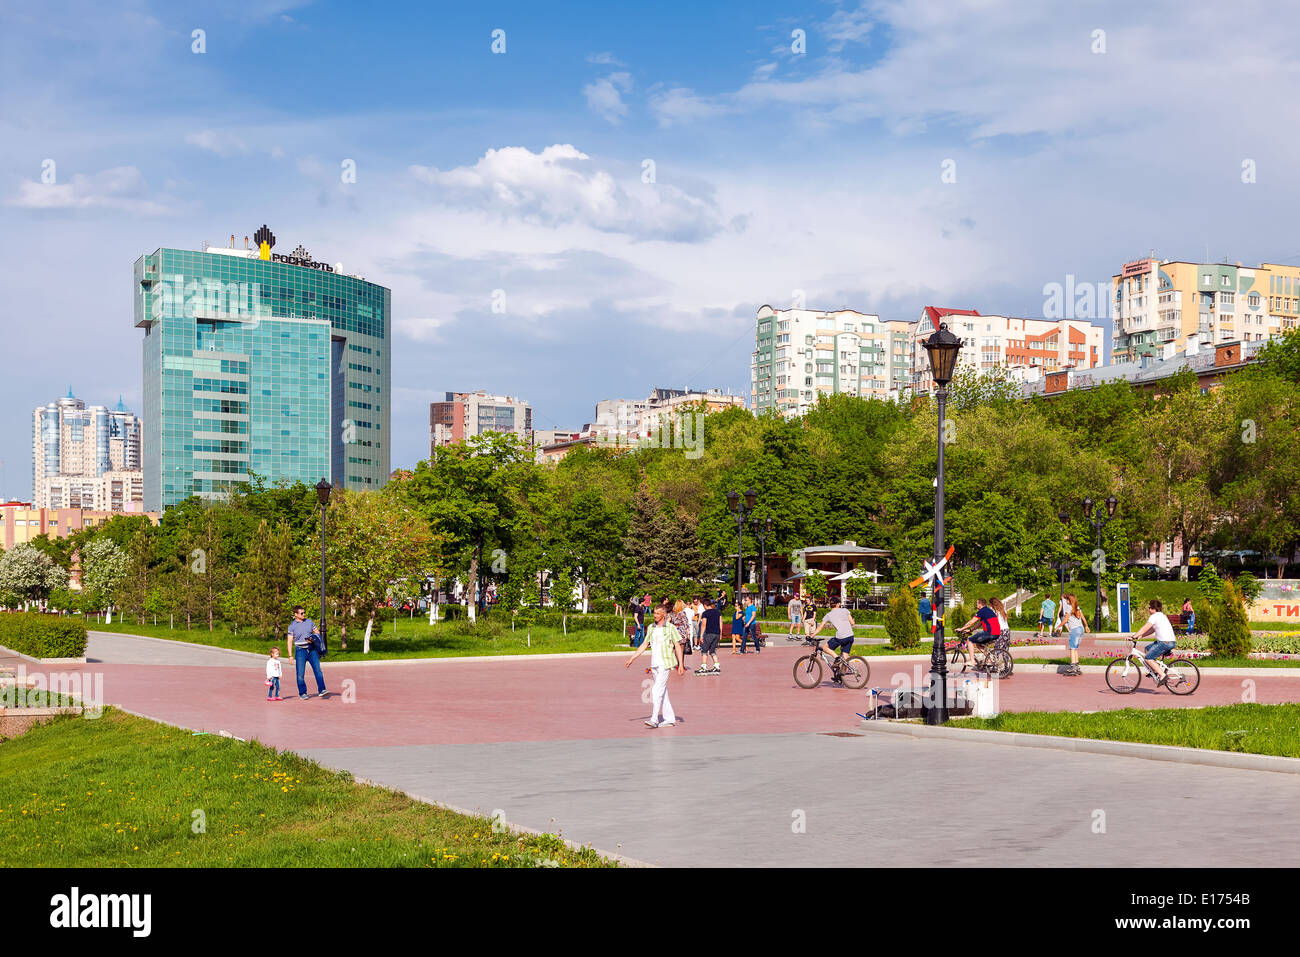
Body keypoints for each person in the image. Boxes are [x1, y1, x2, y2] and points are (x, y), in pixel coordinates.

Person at [625, 603, 684, 727]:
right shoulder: (651, 627)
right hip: (655, 664)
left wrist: (681, 664)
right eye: (654, 613)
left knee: (656, 690)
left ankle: (654, 719)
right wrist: (632, 658)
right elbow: (645, 644)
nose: (655, 616)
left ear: (663, 614)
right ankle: (669, 719)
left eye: (657, 613)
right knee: (662, 692)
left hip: (665, 663)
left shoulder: (670, 628)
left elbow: (678, 645)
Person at [287, 605, 329, 700]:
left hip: (312, 650)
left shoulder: (309, 622)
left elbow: (317, 632)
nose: (304, 614)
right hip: (300, 651)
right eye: (301, 613)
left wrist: (313, 638)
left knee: (318, 670)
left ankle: (322, 690)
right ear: (296, 614)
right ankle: (303, 693)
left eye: (304, 612)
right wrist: (290, 656)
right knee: (300, 674)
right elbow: (289, 641)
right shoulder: (292, 626)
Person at [1132, 598, 1177, 683]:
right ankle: (1155, 671)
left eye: (1150, 607)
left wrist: (1133, 636)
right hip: (1170, 641)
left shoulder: (1154, 616)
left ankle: (1162, 675)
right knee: (1147, 649)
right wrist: (1141, 636)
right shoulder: (1162, 615)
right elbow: (1151, 630)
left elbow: (1145, 627)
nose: (1149, 609)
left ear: (1153, 608)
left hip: (1164, 642)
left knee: (1148, 658)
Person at [810, 598, 856, 675]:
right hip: (850, 636)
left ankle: (837, 658)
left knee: (825, 647)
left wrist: (812, 635)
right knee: (845, 656)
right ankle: (844, 673)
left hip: (841, 636)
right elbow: (852, 623)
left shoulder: (828, 615)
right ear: (838, 604)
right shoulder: (845, 610)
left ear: (830, 605)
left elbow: (821, 626)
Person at [956, 597, 1001, 664]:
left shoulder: (982, 611)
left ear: (980, 604)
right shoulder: (987, 610)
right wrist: (970, 630)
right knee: (978, 644)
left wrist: (961, 629)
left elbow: (971, 622)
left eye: (977, 604)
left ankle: (972, 661)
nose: (976, 606)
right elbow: (979, 624)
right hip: (996, 633)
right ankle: (991, 659)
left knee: (970, 640)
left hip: (990, 633)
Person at [1060, 593, 1089, 676]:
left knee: (1072, 648)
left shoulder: (1069, 608)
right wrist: (1086, 626)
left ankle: (1073, 667)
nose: (1066, 601)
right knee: (1075, 648)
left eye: (1067, 600)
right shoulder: (1077, 607)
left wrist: (1058, 627)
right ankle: (1076, 667)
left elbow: (1065, 621)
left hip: (1075, 630)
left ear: (1069, 601)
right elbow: (1083, 618)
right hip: (1081, 629)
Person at [695, 598, 723, 675]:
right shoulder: (718, 612)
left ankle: (704, 667)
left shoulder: (705, 613)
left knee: (704, 650)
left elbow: (703, 624)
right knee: (712, 650)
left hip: (709, 633)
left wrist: (701, 635)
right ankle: (717, 666)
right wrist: (720, 634)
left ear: (705, 605)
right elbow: (721, 623)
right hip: (716, 634)